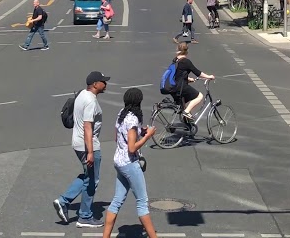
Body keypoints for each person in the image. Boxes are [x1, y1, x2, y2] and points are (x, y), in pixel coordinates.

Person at [53, 71, 109, 228]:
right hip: (88, 145)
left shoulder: (82, 95)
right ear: (95, 84)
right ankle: (84, 216)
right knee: (92, 181)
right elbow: (87, 127)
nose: (106, 84)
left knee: (87, 176)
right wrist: (90, 152)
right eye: (103, 81)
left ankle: (63, 201)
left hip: (77, 143)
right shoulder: (90, 100)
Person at [102, 88, 159, 238]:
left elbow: (117, 137)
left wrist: (141, 130)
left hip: (119, 162)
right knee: (142, 202)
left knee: (116, 201)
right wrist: (148, 136)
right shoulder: (133, 119)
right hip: (129, 164)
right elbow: (132, 147)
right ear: (138, 102)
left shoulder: (122, 113)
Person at [172, 44, 214, 120]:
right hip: (180, 87)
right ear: (187, 51)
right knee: (199, 96)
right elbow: (198, 73)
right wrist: (209, 76)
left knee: (183, 105)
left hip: (173, 86)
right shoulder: (186, 61)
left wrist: (188, 79)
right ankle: (187, 112)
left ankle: (186, 123)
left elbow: (177, 74)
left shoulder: (175, 60)